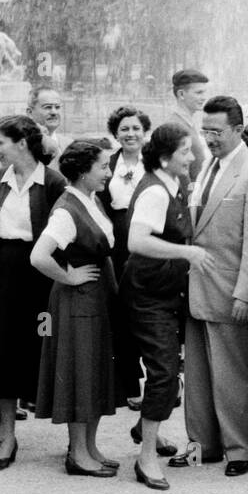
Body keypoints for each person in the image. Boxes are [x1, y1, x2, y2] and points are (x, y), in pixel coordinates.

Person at [174, 96, 248, 477]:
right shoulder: (207, 168)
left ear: (237, 130)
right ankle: (204, 443)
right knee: (198, 373)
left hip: (231, 291)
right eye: (206, 132)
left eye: (217, 132)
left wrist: (246, 293)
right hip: (198, 287)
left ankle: (238, 449)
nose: (210, 139)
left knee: (233, 374)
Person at [0, 114, 66, 471]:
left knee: (45, 343)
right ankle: (7, 434)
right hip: (3, 272)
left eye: (0, 142)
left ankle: (75, 439)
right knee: (2, 351)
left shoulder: (54, 182)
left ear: (23, 144)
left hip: (40, 274)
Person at [123, 123, 208, 490]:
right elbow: (137, 241)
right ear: (164, 158)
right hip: (147, 294)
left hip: (165, 291)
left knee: (167, 370)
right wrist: (186, 252)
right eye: (185, 152)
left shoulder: (174, 185)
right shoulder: (155, 192)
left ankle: (146, 429)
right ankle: (146, 459)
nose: (192, 158)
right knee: (164, 372)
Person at [31, 139, 120, 476]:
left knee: (94, 372)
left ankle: (90, 447)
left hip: (95, 299)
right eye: (103, 167)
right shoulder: (68, 208)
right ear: (83, 172)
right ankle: (78, 454)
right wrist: (68, 276)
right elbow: (39, 256)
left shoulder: (90, 199)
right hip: (76, 302)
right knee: (80, 374)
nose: (108, 173)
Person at [99, 106, 151, 411]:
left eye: (135, 128)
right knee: (121, 310)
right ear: (115, 134)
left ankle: (161, 380)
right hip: (118, 242)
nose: (130, 134)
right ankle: (131, 383)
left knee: (149, 308)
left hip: (149, 239)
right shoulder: (109, 163)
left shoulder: (156, 162)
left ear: (144, 132)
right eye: (124, 129)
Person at [166, 70, 209, 183]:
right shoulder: (175, 126)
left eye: (204, 93)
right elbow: (179, 172)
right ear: (181, 94)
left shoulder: (188, 122)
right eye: (199, 93)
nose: (204, 97)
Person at [29, 87, 70, 159]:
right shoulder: (21, 146)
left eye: (57, 107)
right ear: (30, 112)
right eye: (47, 107)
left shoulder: (69, 144)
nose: (54, 112)